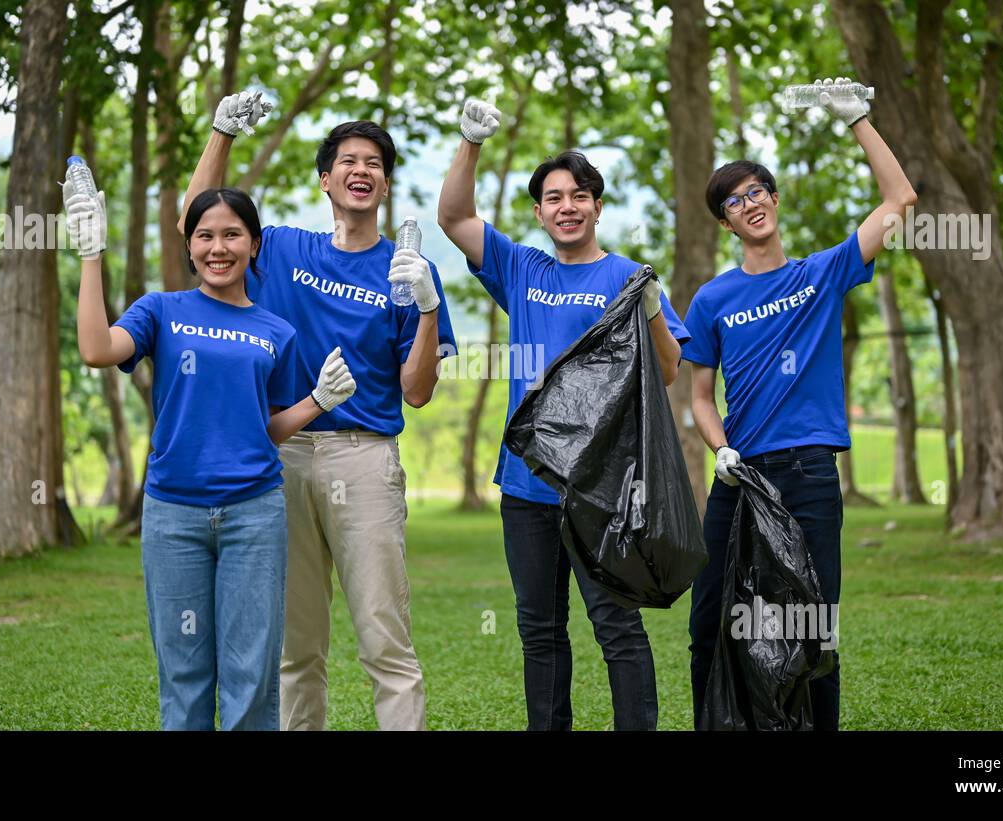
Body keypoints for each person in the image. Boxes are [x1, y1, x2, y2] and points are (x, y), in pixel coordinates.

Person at [178, 91, 458, 731]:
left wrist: (426, 306)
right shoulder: (278, 249)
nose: (362, 171)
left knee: (386, 642)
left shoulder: (409, 269)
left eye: (375, 164)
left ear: (385, 184)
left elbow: (417, 390)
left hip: (364, 461)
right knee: (295, 648)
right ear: (325, 179)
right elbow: (198, 220)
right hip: (280, 460)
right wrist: (221, 133)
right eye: (349, 161)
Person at [67, 175, 357, 730]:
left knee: (252, 674)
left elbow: (268, 427)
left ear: (253, 245)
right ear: (189, 245)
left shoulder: (276, 331)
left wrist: (318, 401)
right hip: (173, 515)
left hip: (255, 514)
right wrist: (89, 256)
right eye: (204, 236)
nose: (217, 248)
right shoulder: (161, 311)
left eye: (231, 235)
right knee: (184, 674)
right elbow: (96, 348)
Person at [438, 99, 692, 731]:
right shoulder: (522, 268)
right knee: (540, 631)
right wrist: (470, 143)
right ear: (539, 212)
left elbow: (665, 373)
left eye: (580, 195)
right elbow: (454, 217)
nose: (567, 207)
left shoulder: (630, 277)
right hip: (527, 485)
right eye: (554, 198)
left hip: (603, 489)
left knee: (617, 627)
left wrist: (654, 310)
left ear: (598, 207)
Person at [681, 78, 918, 730]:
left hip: (810, 476)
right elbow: (700, 395)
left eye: (756, 191)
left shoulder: (821, 274)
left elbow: (900, 199)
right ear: (726, 221)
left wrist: (859, 121)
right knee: (710, 623)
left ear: (773, 200)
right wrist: (720, 447)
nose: (749, 203)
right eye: (734, 200)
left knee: (813, 629)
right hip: (741, 476)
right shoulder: (712, 300)